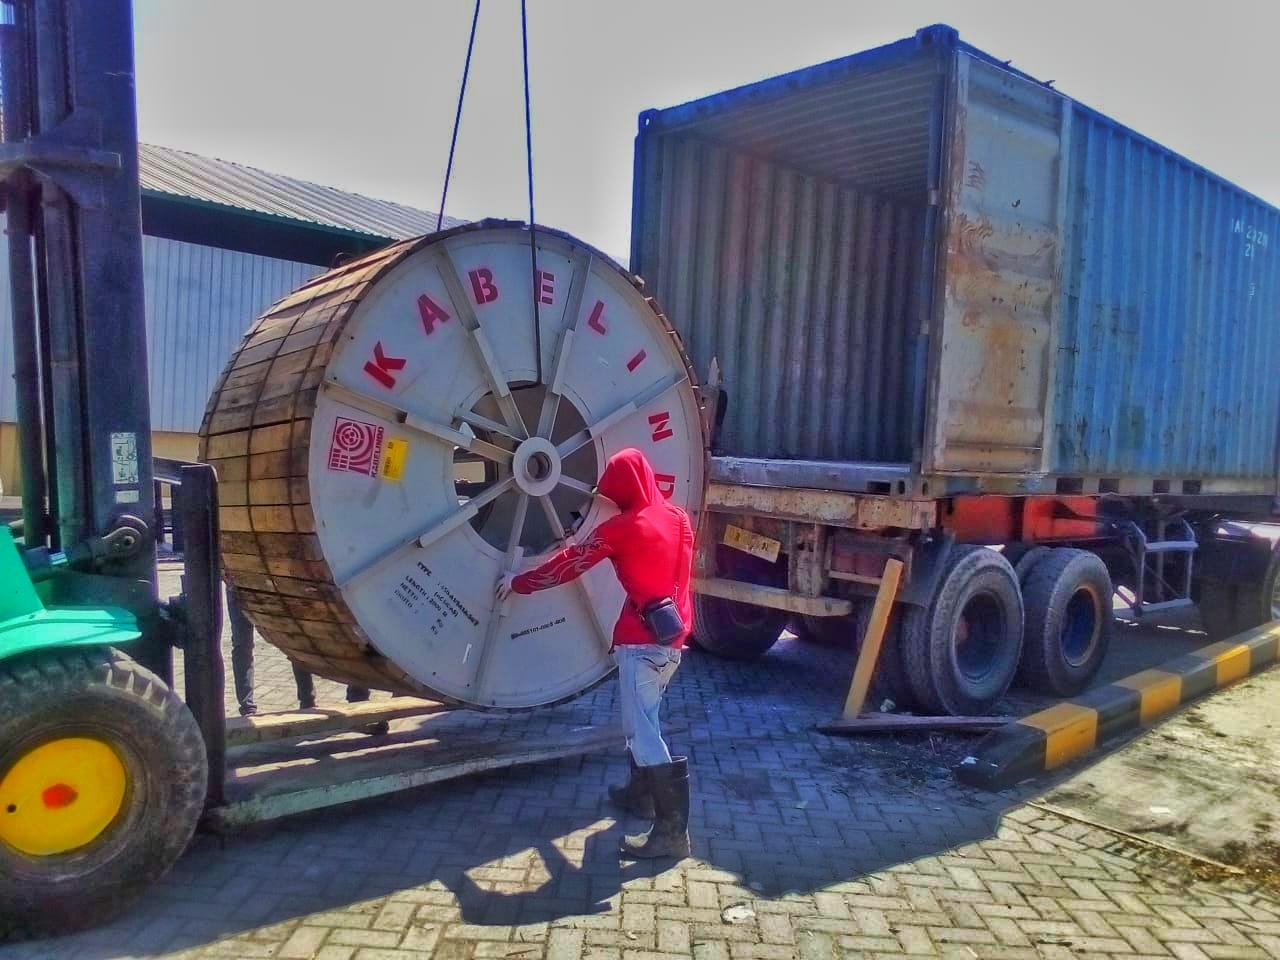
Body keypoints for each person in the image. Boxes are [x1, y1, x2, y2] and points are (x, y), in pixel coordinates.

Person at [497, 448, 694, 859]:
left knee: (642, 731)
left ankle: (672, 832)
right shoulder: (679, 519)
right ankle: (638, 795)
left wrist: (519, 583)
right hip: (673, 638)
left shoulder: (623, 528)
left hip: (641, 644)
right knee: (644, 718)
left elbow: (569, 563)